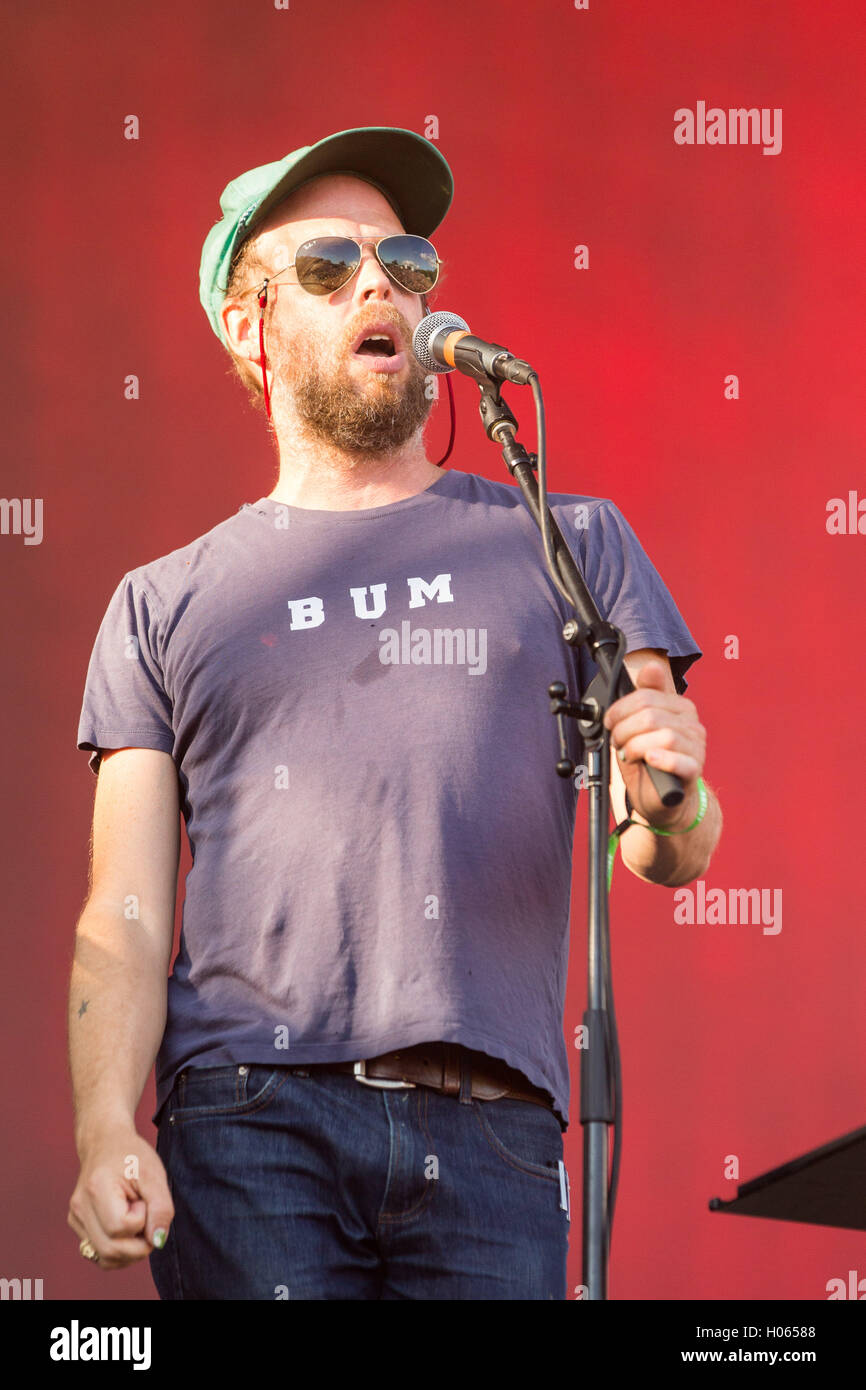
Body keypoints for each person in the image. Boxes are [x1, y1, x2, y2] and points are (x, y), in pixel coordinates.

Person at [67, 126, 722, 1300]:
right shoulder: (161, 603)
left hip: (495, 1132)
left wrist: (672, 797)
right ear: (248, 324)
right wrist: (107, 1125)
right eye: (327, 265)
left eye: (405, 261)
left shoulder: (570, 542)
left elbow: (665, 846)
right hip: (248, 1122)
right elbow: (121, 914)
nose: (379, 281)